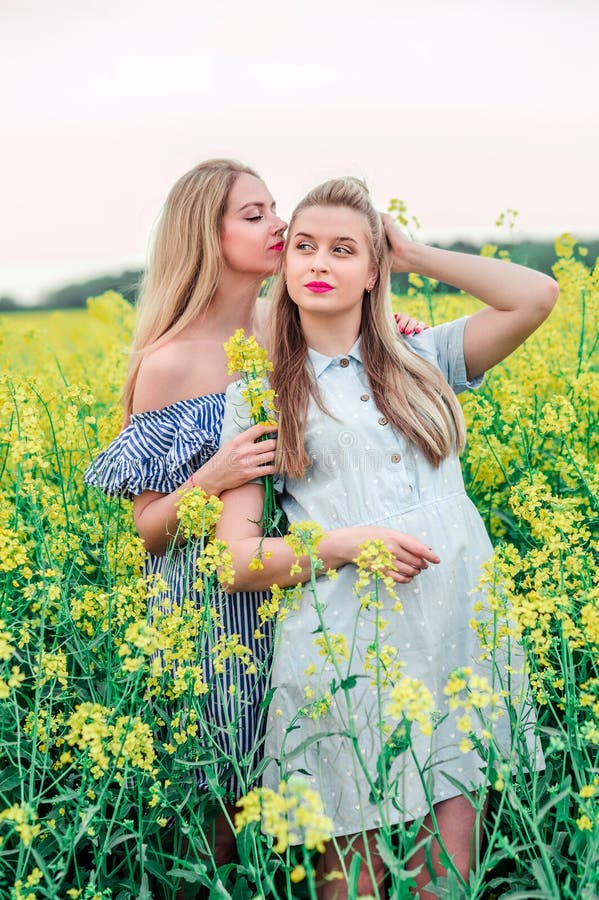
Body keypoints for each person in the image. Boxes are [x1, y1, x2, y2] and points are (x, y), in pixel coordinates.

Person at [216, 177, 558, 898]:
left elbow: (534, 296)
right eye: (303, 245)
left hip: (456, 627)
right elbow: (235, 560)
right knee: (356, 878)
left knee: (448, 877)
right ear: (284, 265)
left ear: (373, 271)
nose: (319, 261)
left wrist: (411, 250)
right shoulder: (260, 391)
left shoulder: (423, 360)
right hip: (349, 642)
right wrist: (341, 545)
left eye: (345, 250)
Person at [83, 159, 424, 871]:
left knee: (317, 789)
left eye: (274, 209)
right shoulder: (170, 362)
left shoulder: (294, 323)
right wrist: (209, 480)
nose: (278, 225)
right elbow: (148, 531)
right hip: (207, 611)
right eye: (254, 214)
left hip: (302, 588)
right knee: (220, 806)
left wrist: (387, 333)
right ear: (206, 234)